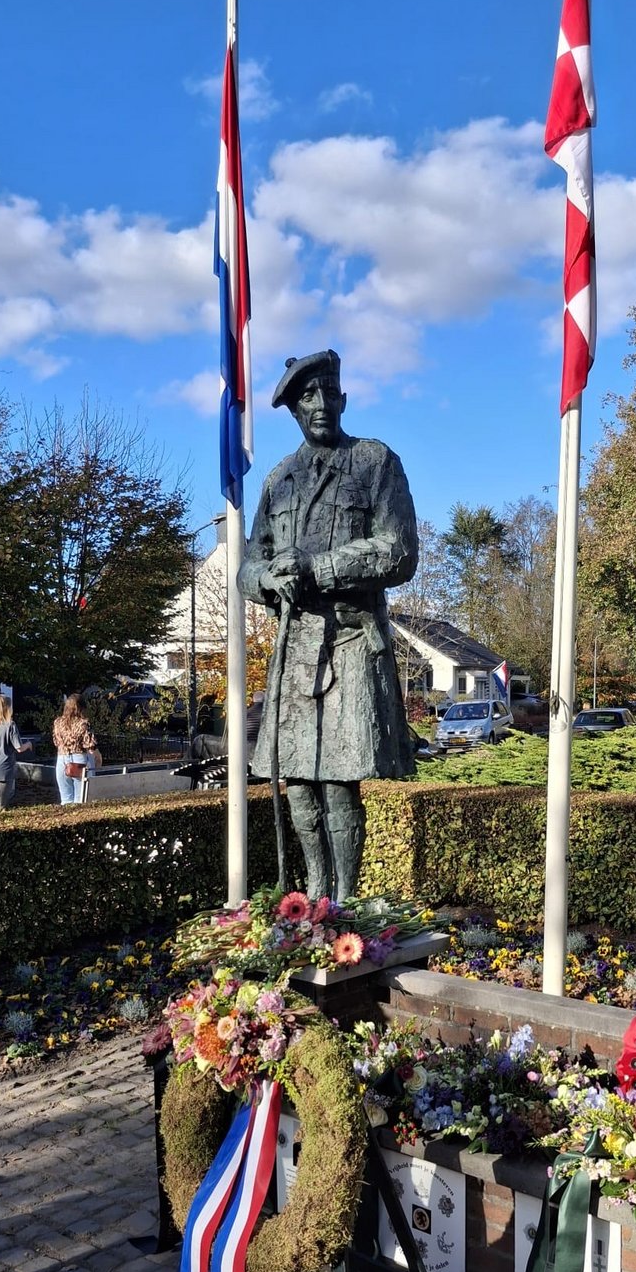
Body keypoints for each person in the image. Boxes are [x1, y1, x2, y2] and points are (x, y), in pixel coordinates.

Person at [239, 349, 418, 900]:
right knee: (296, 782)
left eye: (327, 392)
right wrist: (269, 579)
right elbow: (248, 564)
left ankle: (343, 898)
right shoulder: (279, 479)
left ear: (343, 397)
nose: (319, 403)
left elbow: (400, 551)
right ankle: (313, 892)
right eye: (306, 396)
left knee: (339, 782)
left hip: (348, 640)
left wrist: (319, 568)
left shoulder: (374, 462)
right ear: (294, 409)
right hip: (296, 647)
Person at [52, 694, 100, 805]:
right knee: (81, 800)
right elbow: (90, 744)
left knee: (66, 800)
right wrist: (97, 757)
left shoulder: (57, 722)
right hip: (79, 760)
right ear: (81, 708)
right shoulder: (83, 723)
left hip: (62, 759)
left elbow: (56, 742)